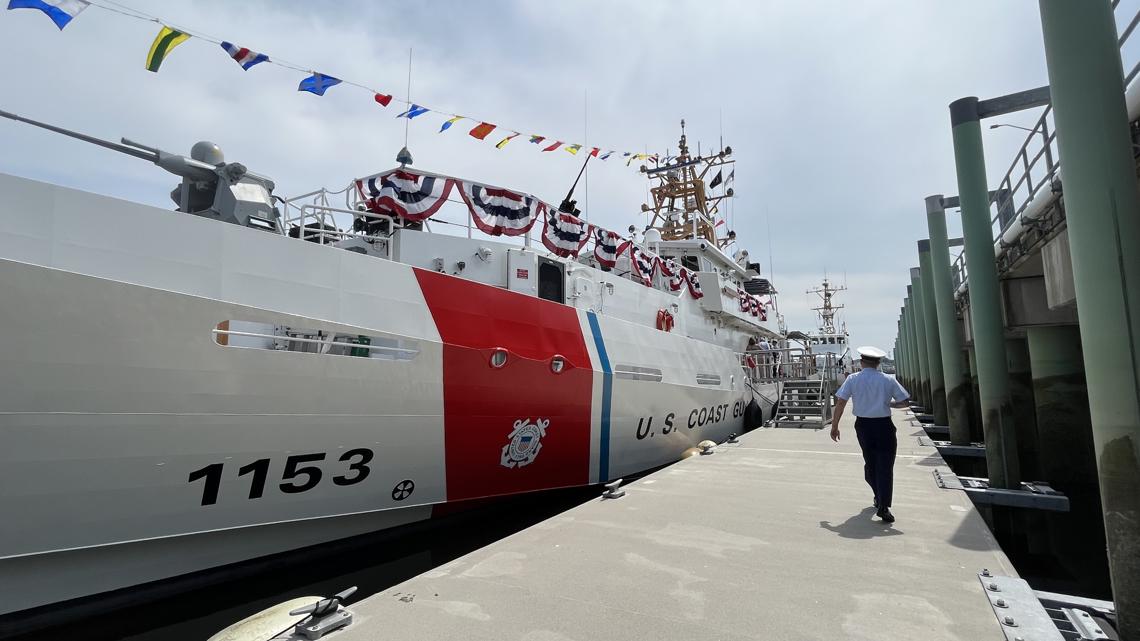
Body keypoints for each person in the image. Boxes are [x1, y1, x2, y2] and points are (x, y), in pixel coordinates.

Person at [830, 345, 910, 523]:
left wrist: (834, 426)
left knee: (871, 464)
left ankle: (878, 496)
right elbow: (904, 402)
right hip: (884, 425)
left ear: (862, 361)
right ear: (879, 362)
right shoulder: (888, 380)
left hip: (863, 426)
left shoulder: (853, 379)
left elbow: (841, 402)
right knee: (886, 465)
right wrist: (890, 405)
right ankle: (883, 505)